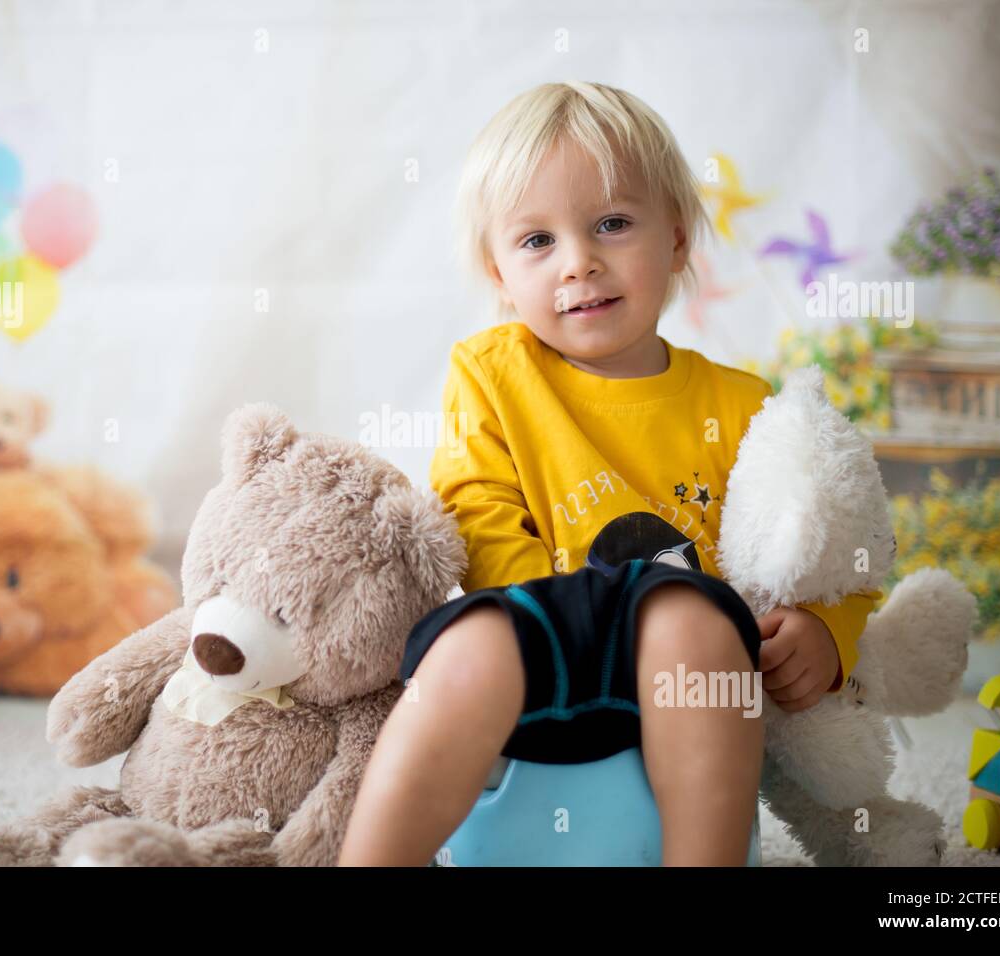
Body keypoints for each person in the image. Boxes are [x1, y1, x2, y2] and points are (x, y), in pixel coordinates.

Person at [338, 81, 882, 866]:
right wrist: (584, 629)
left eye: (613, 224)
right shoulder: (491, 371)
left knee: (690, 623)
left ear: (678, 239)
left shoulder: (744, 406)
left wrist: (825, 634)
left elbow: (833, 546)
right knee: (466, 646)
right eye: (536, 242)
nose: (579, 262)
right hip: (540, 645)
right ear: (497, 271)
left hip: (687, 679)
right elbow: (476, 516)